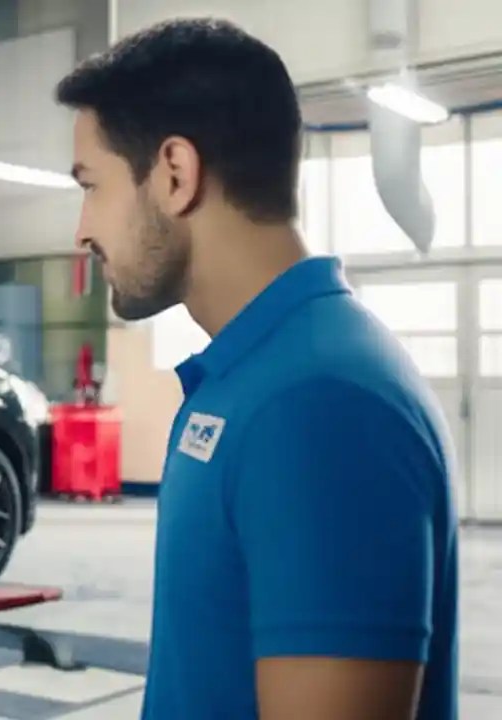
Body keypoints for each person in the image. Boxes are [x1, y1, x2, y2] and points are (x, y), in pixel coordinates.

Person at [54, 18, 458, 720]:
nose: (81, 228)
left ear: (175, 174)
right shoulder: (254, 377)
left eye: (91, 185)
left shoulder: (320, 405)